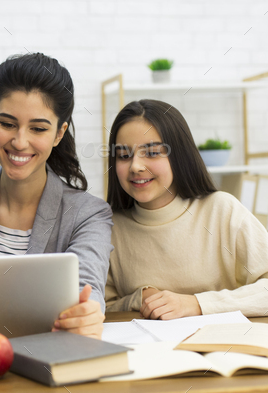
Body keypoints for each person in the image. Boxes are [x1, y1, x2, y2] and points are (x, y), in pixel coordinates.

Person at [0, 53, 113, 340]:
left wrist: (85, 313)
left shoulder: (88, 213)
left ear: (59, 133)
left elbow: (87, 287)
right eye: (8, 124)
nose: (20, 142)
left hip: (38, 355)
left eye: (37, 128)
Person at [105, 99, 268, 319]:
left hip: (223, 346)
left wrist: (196, 304)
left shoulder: (222, 210)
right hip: (152, 351)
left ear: (179, 156)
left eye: (152, 153)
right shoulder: (109, 228)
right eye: (124, 155)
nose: (135, 166)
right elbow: (102, 306)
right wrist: (142, 299)